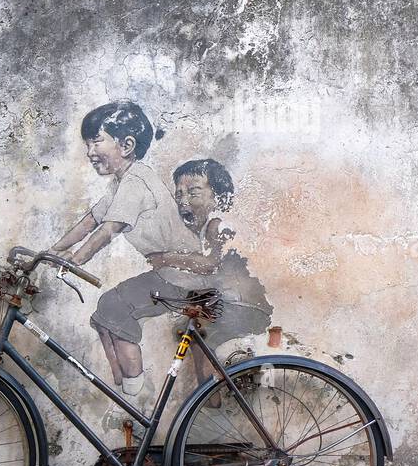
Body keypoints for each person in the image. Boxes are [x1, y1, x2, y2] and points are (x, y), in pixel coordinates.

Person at [47, 101, 207, 397]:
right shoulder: (121, 184)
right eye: (87, 143)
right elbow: (90, 221)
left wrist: (75, 259)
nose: (90, 151)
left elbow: (108, 230)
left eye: (96, 141)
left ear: (127, 145)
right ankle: (124, 388)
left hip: (183, 274)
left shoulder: (136, 181)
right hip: (169, 272)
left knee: (115, 307)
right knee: (105, 314)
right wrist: (52, 250)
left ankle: (135, 391)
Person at [146, 158, 273, 378]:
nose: (183, 200)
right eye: (179, 194)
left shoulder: (218, 224)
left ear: (219, 198)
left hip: (242, 307)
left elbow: (209, 265)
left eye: (193, 192)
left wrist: (166, 258)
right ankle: (208, 403)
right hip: (228, 304)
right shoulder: (203, 229)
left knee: (202, 339)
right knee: (196, 338)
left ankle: (209, 403)